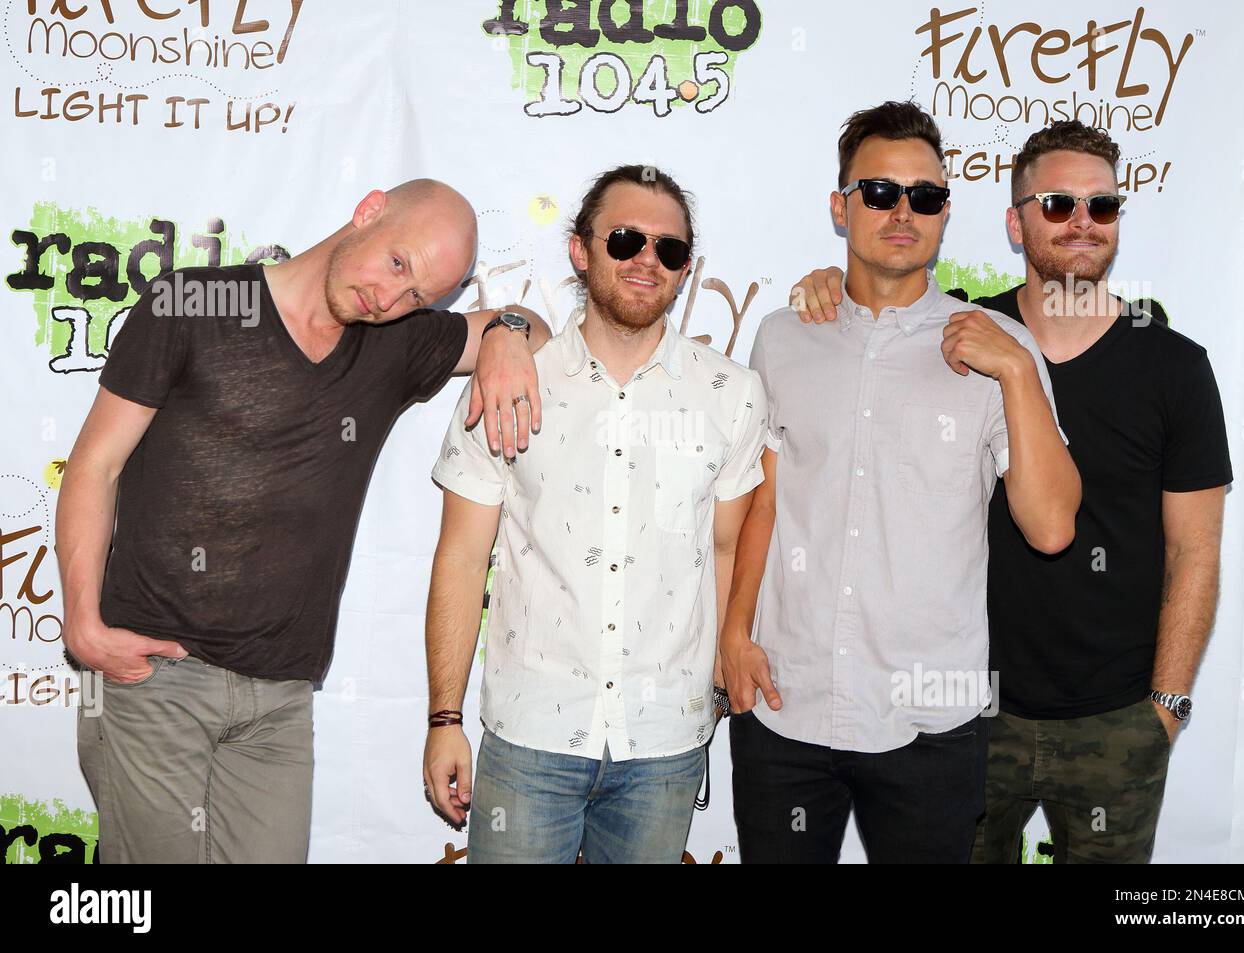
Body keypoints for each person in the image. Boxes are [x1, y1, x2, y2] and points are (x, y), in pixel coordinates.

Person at [57, 179, 549, 863]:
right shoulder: (191, 301)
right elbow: (95, 465)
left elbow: (532, 325)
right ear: (369, 210)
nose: (388, 297)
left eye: (417, 295)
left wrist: (508, 334)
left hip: (281, 700)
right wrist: (81, 621)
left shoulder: (395, 343)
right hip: (156, 676)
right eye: (397, 263)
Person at [791, 120, 1232, 863]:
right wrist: (827, 286)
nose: (1083, 222)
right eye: (1058, 204)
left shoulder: (1175, 366)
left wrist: (1166, 707)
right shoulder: (956, 334)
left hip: (1119, 721)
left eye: (1102, 205)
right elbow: (875, 316)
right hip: (967, 715)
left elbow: (1196, 551)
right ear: (1015, 222)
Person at [721, 102, 1079, 863]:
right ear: (840, 207)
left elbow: (1051, 527)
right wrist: (734, 633)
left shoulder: (1001, 349)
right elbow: (765, 497)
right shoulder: (783, 336)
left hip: (930, 722)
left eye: (926, 195)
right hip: (785, 701)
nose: (903, 211)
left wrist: (1018, 370)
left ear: (946, 211)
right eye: (881, 192)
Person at [423, 165, 767, 863]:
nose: (647, 260)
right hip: (529, 736)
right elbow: (461, 557)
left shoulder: (731, 394)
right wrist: (444, 718)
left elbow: (726, 549)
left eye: (669, 249)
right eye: (626, 239)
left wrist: (714, 677)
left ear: (686, 268)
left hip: (665, 743)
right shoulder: (510, 382)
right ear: (580, 250)